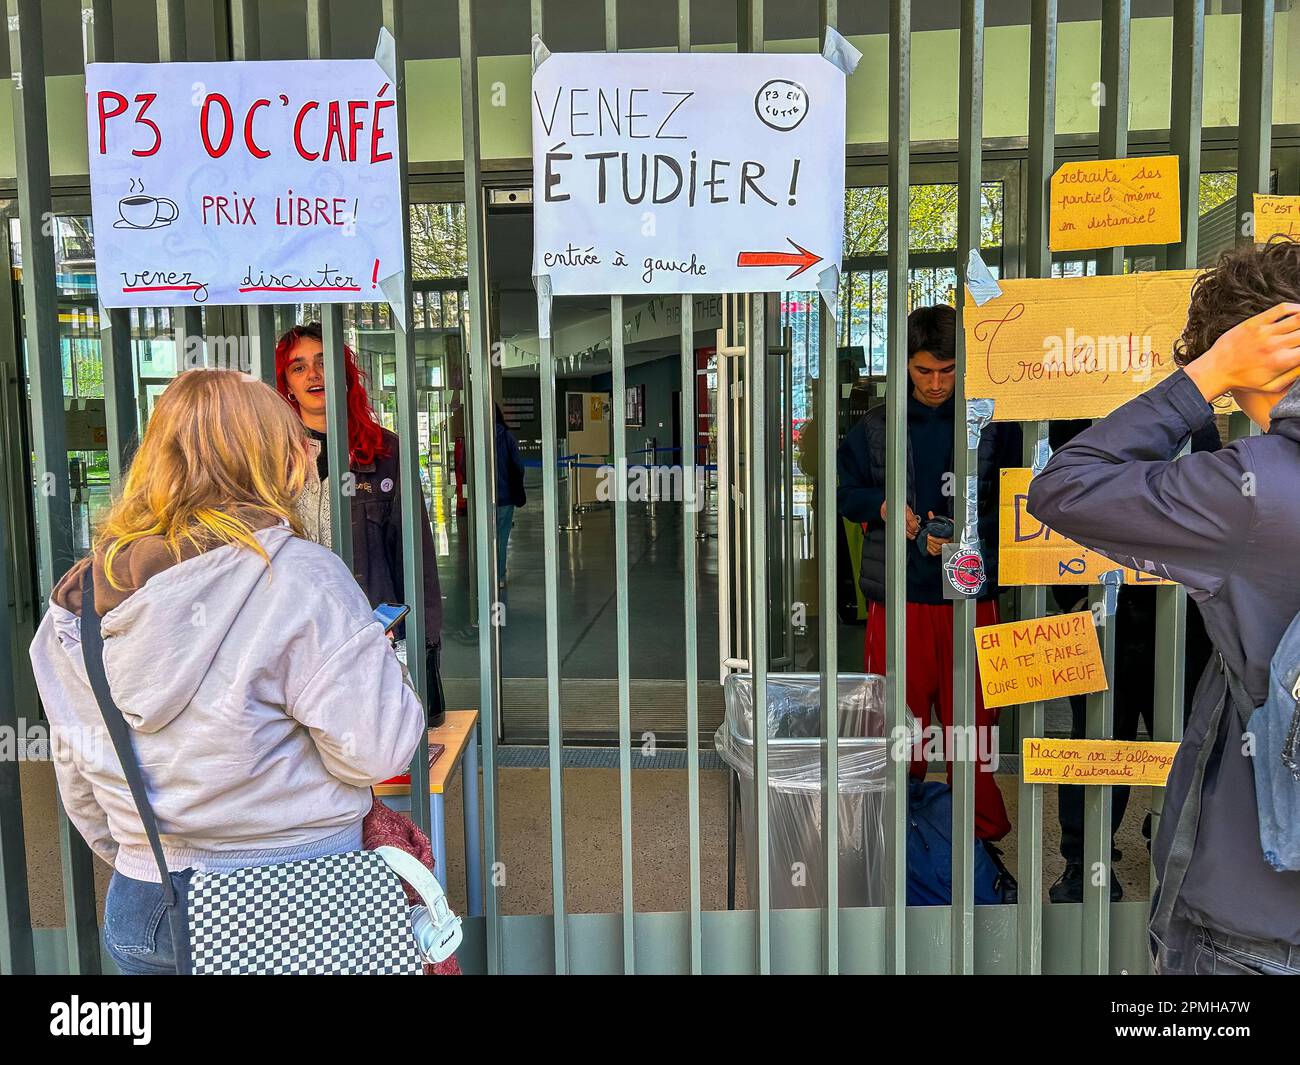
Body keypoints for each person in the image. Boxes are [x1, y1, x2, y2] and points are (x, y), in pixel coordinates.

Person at [29, 370, 426, 975]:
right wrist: (382, 661)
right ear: (272, 460)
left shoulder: (81, 595)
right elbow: (375, 752)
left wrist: (144, 854)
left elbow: (78, 770)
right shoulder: (301, 578)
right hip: (295, 903)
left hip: (147, 903)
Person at [1028, 240, 1300, 975]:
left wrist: (1204, 374)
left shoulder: (1256, 489)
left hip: (1256, 915)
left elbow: (1061, 488)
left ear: (1258, 353)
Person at [837, 304, 1021, 846]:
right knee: (900, 727)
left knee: (975, 727)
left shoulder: (992, 422)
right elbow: (846, 495)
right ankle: (900, 833)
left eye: (948, 370)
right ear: (904, 367)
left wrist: (967, 531)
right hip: (900, 598)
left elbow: (1018, 499)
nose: (937, 383)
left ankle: (981, 841)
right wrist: (887, 507)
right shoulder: (874, 428)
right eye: (924, 371)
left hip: (972, 599)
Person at [1045, 420, 1220, 904]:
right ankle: (1085, 861)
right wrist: (1070, 595)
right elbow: (1056, 484)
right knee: (1095, 745)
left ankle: (1177, 837)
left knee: (1188, 739)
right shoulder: (1079, 409)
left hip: (1183, 613)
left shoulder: (1193, 420)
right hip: (1102, 607)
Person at [276, 322, 446, 726]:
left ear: (346, 375)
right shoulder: (269, 456)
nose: (313, 375)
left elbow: (414, 556)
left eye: (323, 362)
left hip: (368, 634)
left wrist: (422, 643)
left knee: (372, 743)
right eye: (298, 367)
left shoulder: (385, 452)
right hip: (288, 634)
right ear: (286, 384)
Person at [494, 402, 526, 592]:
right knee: (501, 538)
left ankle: (484, 574)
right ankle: (499, 577)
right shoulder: (507, 437)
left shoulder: (476, 437)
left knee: (484, 538)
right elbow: (519, 467)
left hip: (483, 500)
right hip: (505, 497)